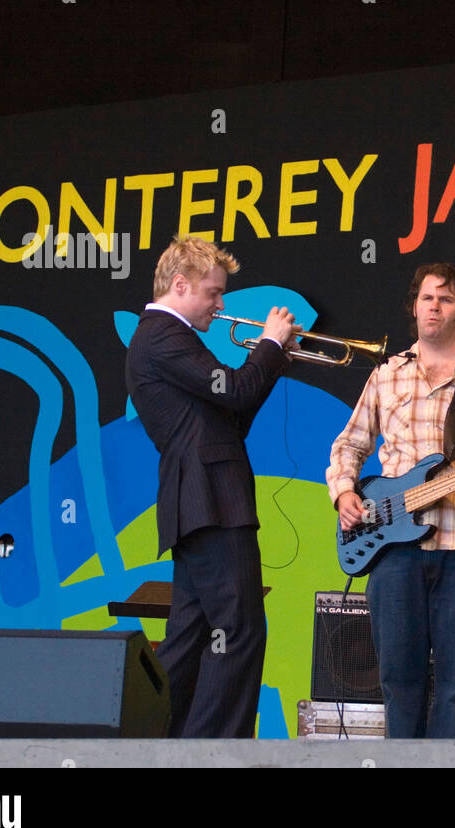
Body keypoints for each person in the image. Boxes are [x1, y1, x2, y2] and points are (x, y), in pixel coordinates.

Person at [326, 263, 455, 738]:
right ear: (414, 307)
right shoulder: (388, 374)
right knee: (399, 681)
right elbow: (350, 444)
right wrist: (344, 493)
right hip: (393, 548)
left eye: (445, 298)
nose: (433, 306)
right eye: (425, 298)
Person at [125, 235, 297, 738]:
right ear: (180, 285)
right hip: (212, 501)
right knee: (239, 631)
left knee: (190, 635)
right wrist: (268, 343)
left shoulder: (165, 338)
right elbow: (236, 389)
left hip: (199, 501)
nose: (221, 306)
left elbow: (231, 414)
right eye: (213, 293)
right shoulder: (164, 335)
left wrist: (275, 356)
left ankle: (154, 739)